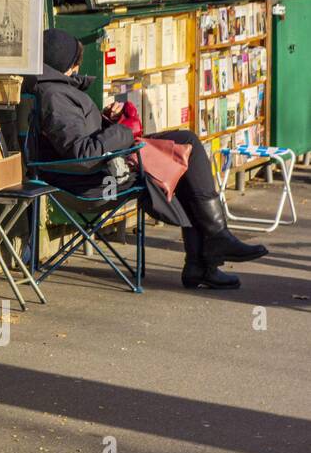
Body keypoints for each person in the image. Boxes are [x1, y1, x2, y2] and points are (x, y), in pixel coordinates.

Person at [25, 29, 266, 290]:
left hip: (101, 169)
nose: (77, 68)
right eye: (75, 63)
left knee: (185, 146)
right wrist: (123, 131)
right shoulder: (55, 96)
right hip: (93, 182)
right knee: (183, 154)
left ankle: (208, 256)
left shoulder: (56, 91)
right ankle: (208, 254)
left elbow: (79, 139)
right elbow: (82, 154)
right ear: (64, 64)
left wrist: (109, 122)